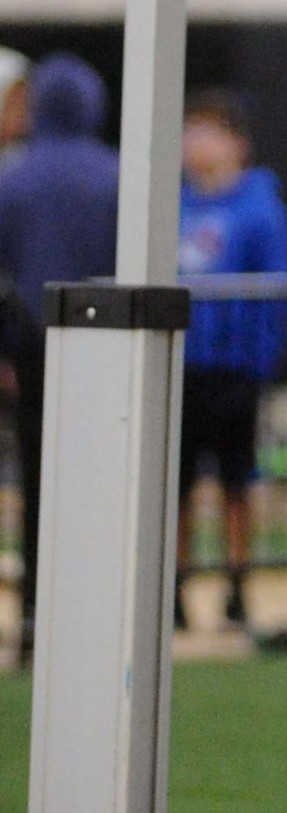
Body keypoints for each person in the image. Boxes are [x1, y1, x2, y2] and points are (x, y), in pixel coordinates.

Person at [0, 54, 118, 663]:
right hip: (109, 350)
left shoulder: (13, 177)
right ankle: (93, 623)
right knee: (102, 486)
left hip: (34, 344)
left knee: (39, 481)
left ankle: (31, 620)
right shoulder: (117, 175)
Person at [172, 91, 287, 631]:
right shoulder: (169, 206)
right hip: (179, 363)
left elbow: (277, 290)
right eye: (189, 131)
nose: (194, 142)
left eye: (207, 131)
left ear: (236, 144)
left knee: (235, 480)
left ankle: (237, 583)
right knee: (173, 484)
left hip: (234, 369)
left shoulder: (260, 208)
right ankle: (173, 585)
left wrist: (262, 360)